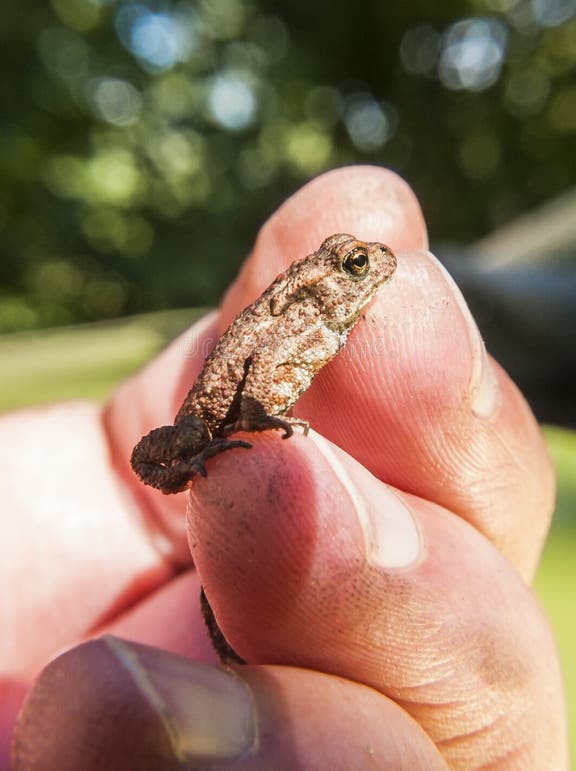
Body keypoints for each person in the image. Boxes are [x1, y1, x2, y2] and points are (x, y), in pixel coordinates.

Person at [5, 167, 568, 770]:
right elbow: (254, 382)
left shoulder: (327, 317)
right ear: (326, 283)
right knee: (172, 454)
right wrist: (243, 435)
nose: (369, 268)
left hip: (236, 472)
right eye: (352, 266)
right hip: (205, 423)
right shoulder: (298, 319)